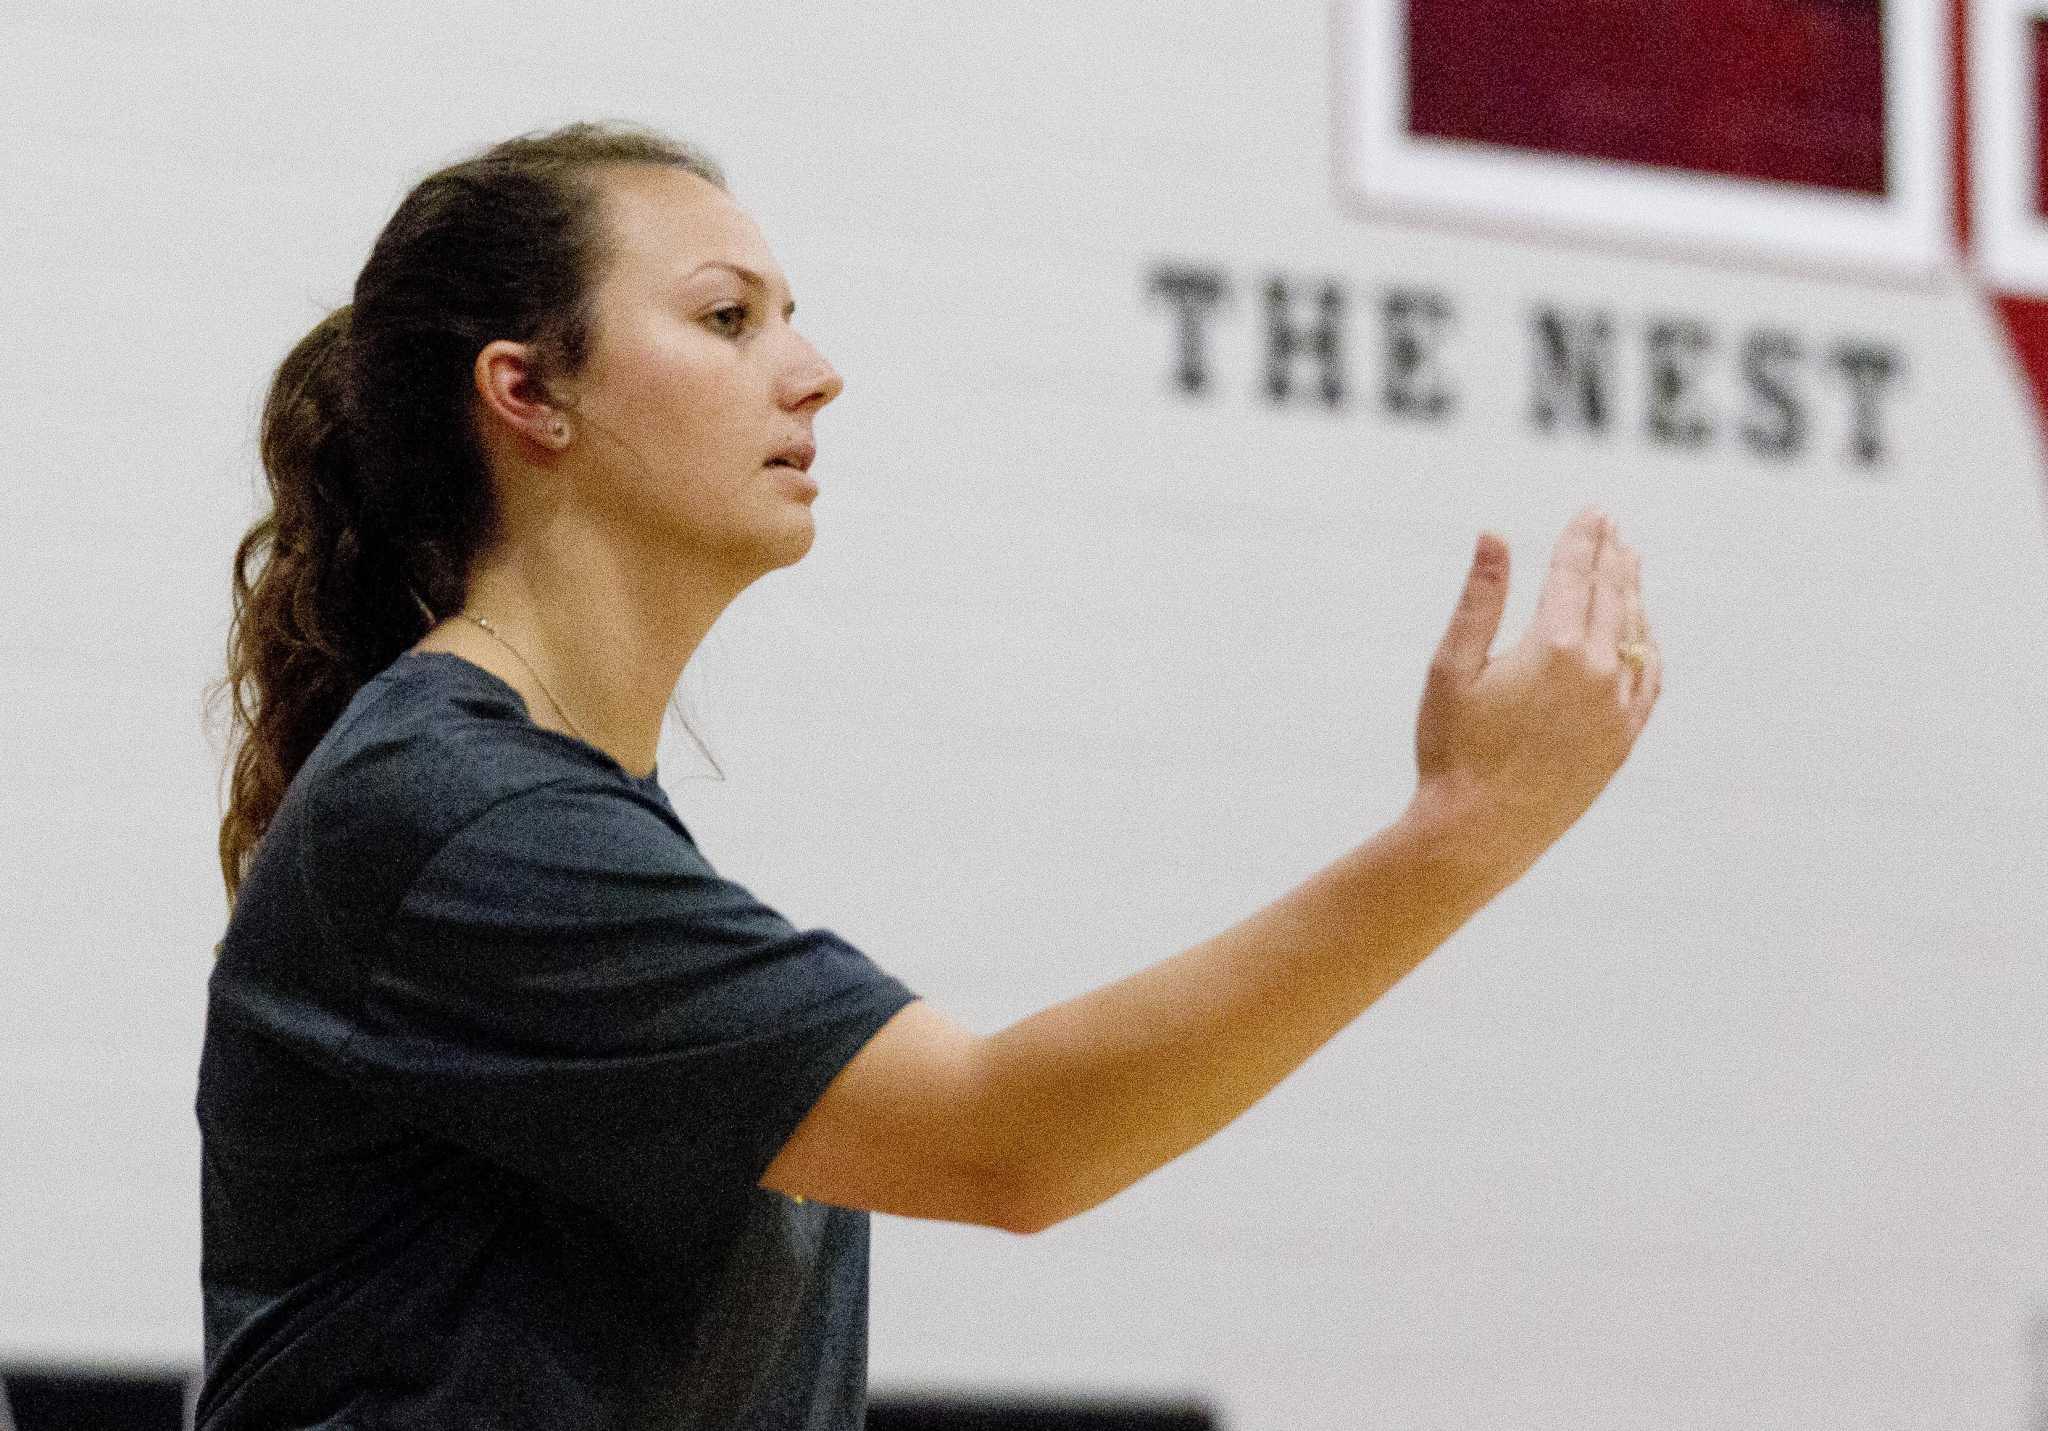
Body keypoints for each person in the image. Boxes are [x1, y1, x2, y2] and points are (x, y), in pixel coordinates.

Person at [197, 120, 1661, 1431]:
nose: (816, 373)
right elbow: (1010, 1144)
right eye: (727, 318)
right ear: (527, 394)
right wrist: (1461, 835)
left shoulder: (542, 818)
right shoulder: (458, 819)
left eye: (791, 319)